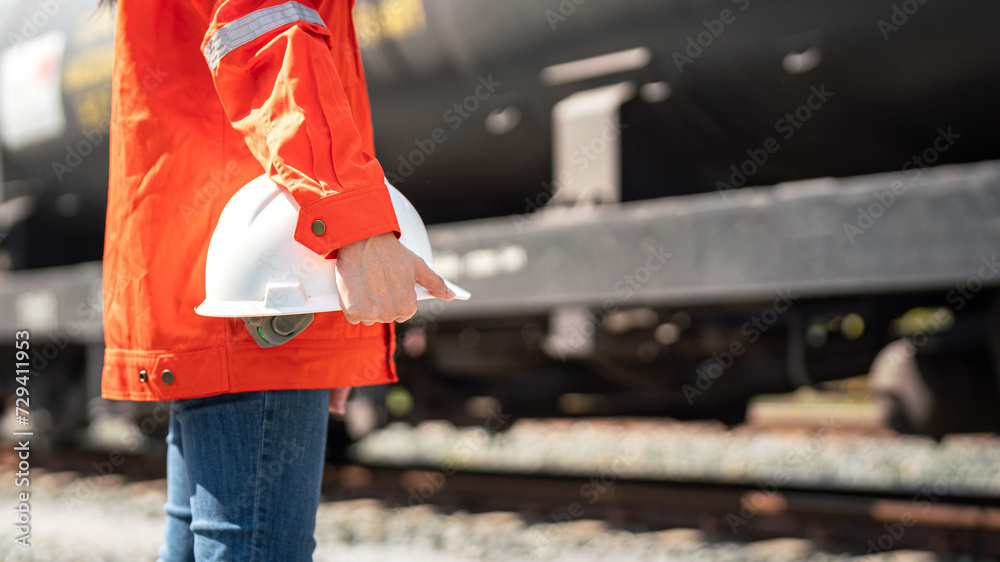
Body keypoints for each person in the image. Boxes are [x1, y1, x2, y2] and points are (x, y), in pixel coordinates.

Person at [100, 0, 454, 559]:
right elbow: (267, 34)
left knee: (209, 541)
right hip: (272, 270)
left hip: (242, 262)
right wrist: (353, 226)